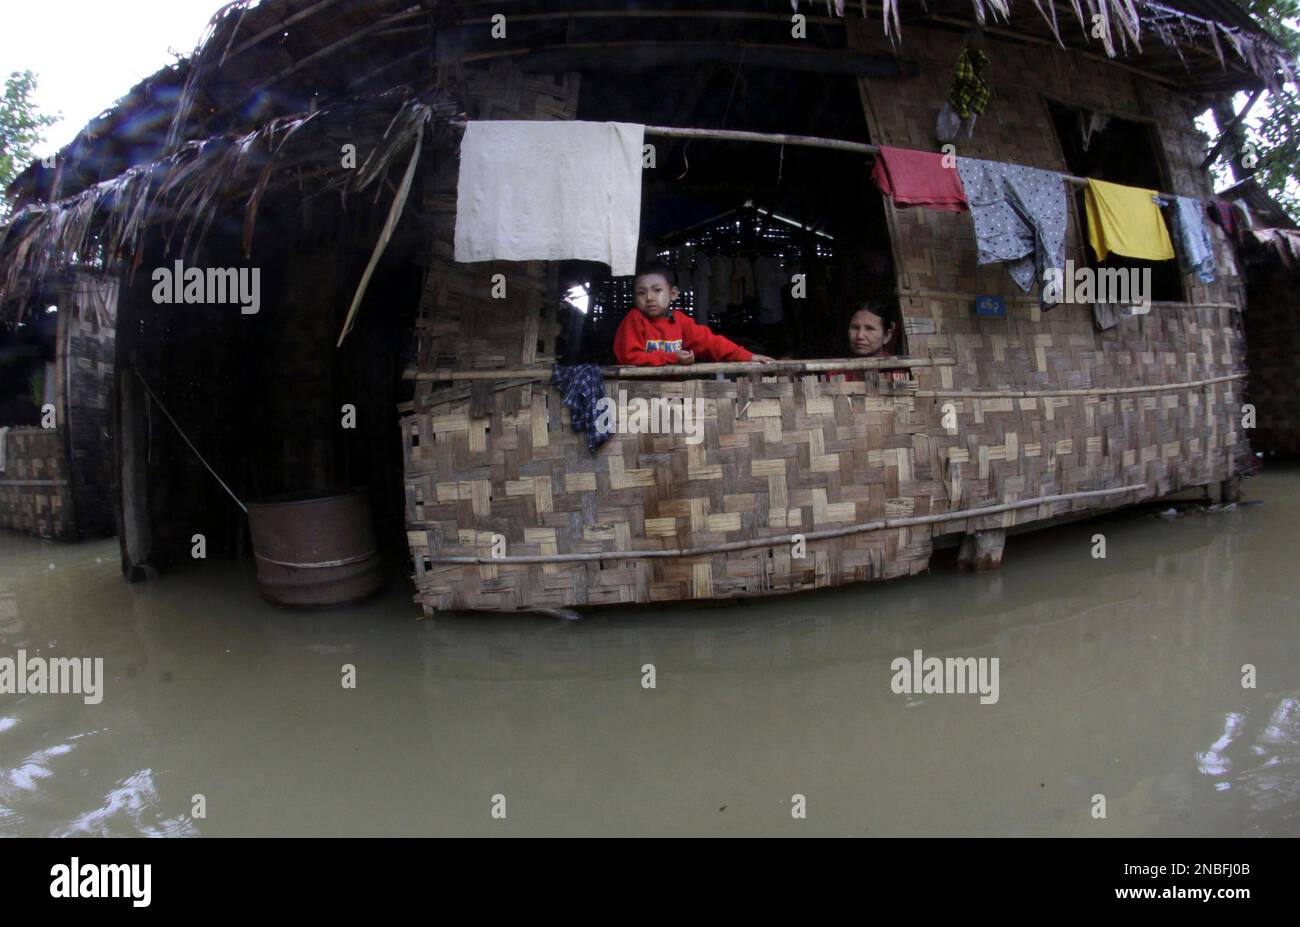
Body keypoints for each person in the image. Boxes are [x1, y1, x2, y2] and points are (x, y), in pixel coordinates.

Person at [613, 263, 775, 367]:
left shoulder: (680, 321)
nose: (649, 298)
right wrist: (672, 357)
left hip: (676, 395)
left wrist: (748, 356)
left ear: (674, 293)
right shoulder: (635, 319)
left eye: (657, 290)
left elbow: (711, 343)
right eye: (641, 293)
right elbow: (629, 357)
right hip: (639, 395)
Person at [828, 301, 909, 382]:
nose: (859, 336)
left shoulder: (897, 374)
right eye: (855, 327)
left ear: (887, 335)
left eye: (870, 329)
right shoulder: (836, 373)